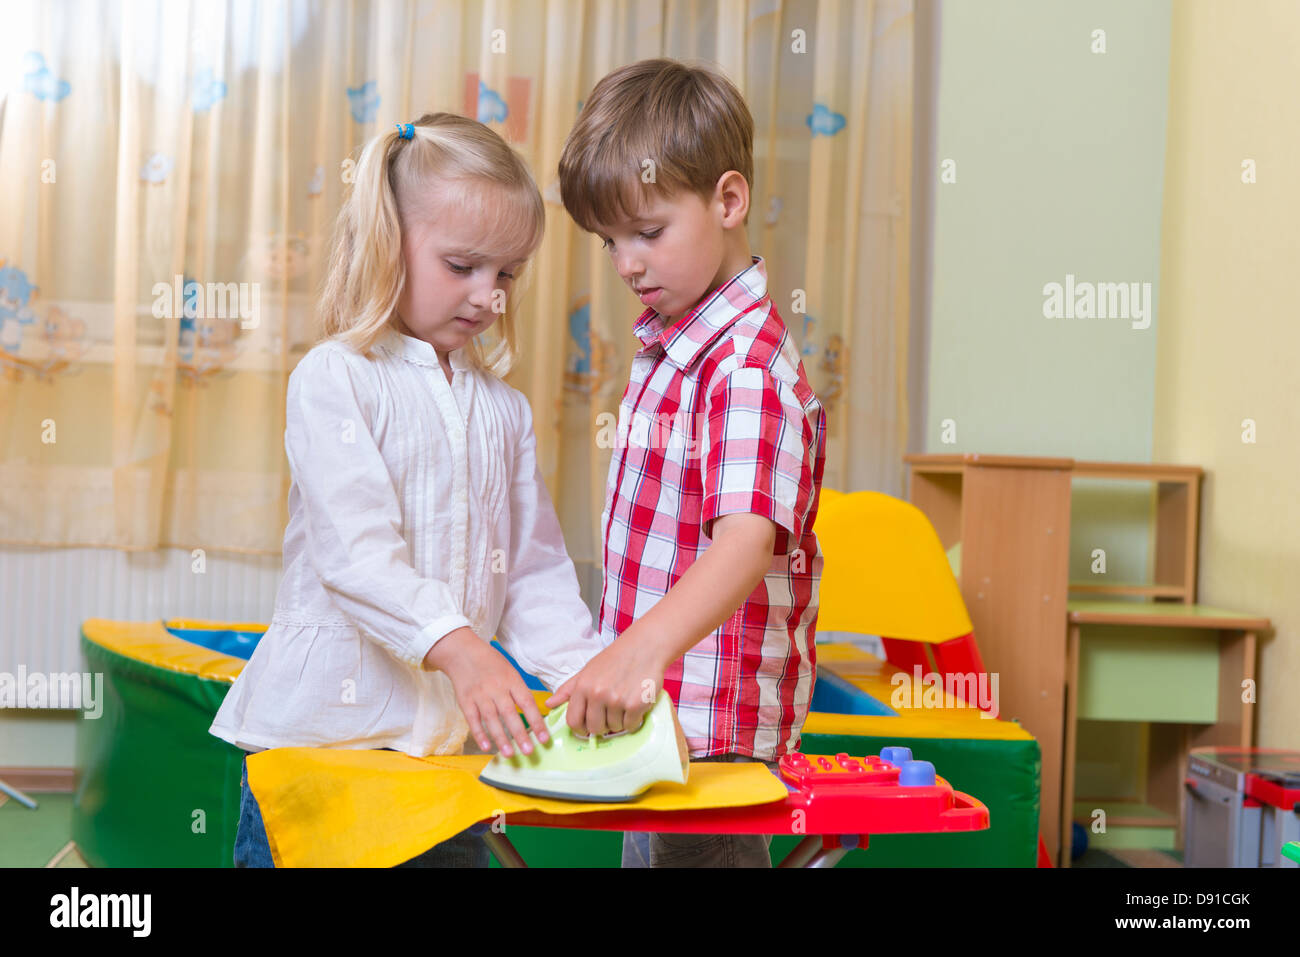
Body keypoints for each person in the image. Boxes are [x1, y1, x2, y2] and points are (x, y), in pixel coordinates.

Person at [211, 113, 601, 867]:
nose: (489, 296)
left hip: (443, 756)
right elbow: (356, 554)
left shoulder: (505, 410)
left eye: (507, 274)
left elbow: (532, 573)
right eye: (463, 266)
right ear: (391, 243)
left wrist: (585, 673)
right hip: (321, 749)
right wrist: (461, 648)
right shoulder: (335, 378)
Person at [554, 58, 828, 868]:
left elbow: (744, 540)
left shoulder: (744, 366)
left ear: (729, 200)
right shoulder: (675, 350)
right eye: (611, 242)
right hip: (669, 719)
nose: (628, 264)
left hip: (716, 735)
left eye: (648, 232)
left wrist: (638, 649)